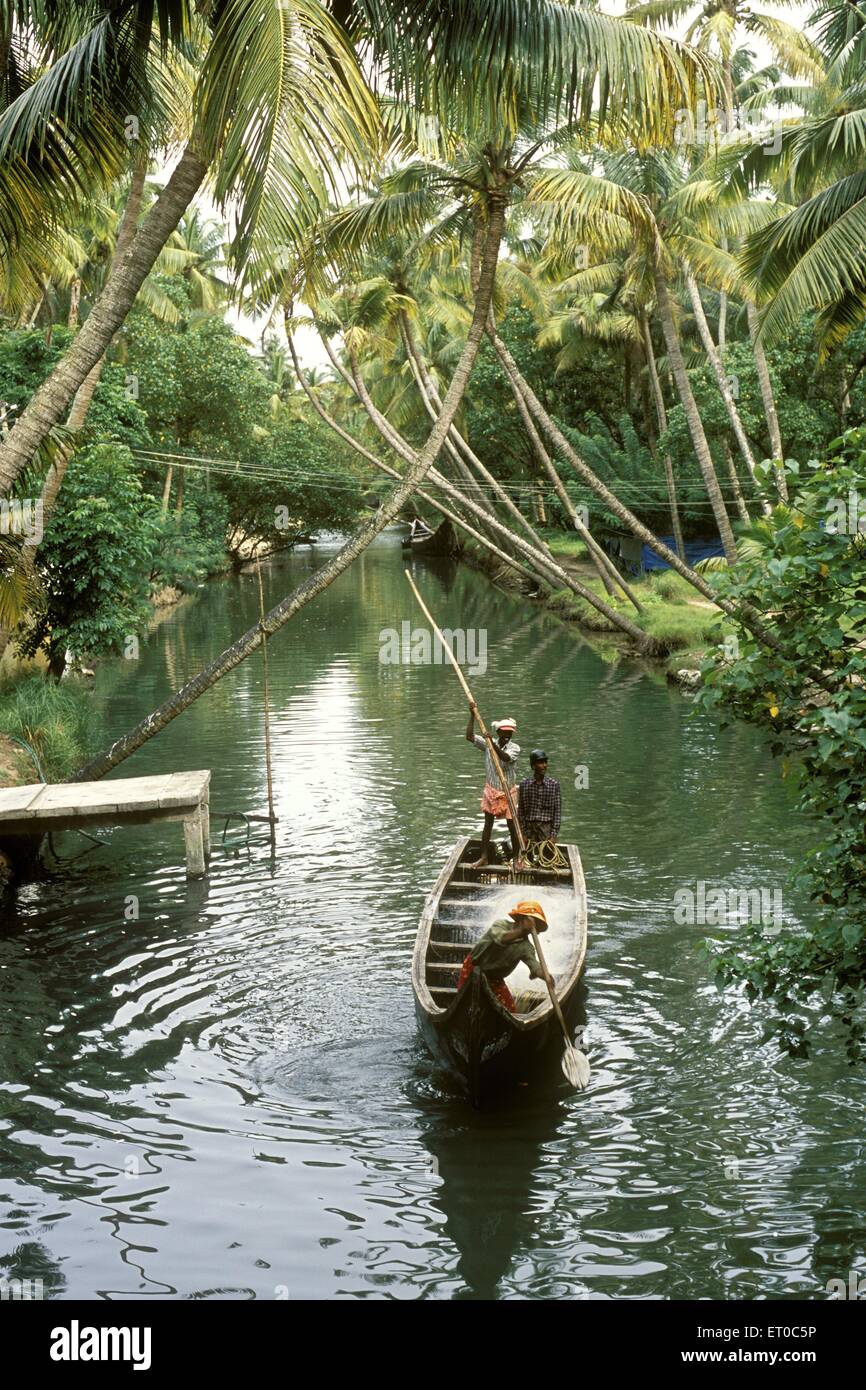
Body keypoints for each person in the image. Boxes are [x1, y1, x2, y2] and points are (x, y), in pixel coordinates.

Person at [456, 901, 550, 1013]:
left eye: (536, 924)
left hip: (494, 978)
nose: (533, 926)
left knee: (510, 1010)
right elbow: (501, 939)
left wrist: (545, 975)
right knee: (466, 1005)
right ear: (521, 919)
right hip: (474, 968)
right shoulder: (501, 924)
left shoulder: (527, 947)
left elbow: (534, 966)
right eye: (532, 921)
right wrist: (521, 930)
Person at [465, 703, 521, 867]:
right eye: (504, 734)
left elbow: (504, 758)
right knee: (487, 824)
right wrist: (472, 716)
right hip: (491, 790)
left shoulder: (514, 748)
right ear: (498, 733)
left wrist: (492, 743)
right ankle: (484, 857)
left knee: (512, 825)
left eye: (509, 734)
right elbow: (469, 737)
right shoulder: (489, 743)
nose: (506, 737)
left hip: (507, 791)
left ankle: (517, 859)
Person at [517, 750, 562, 845]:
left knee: (547, 856)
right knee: (527, 856)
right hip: (529, 828)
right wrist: (523, 833)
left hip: (546, 829)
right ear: (533, 766)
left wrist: (553, 835)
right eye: (541, 763)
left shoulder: (554, 785)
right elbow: (521, 811)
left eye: (545, 762)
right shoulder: (524, 785)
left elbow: (557, 812)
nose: (544, 765)